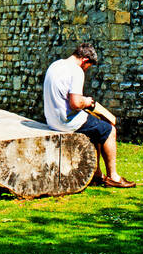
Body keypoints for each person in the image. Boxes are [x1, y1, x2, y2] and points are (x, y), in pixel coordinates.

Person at [42, 44, 136, 188]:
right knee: (109, 130)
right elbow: (75, 103)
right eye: (88, 66)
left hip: (52, 119)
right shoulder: (76, 71)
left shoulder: (55, 65)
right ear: (85, 60)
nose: (87, 69)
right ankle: (113, 176)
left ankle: (97, 173)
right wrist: (87, 101)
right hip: (67, 122)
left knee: (96, 127)